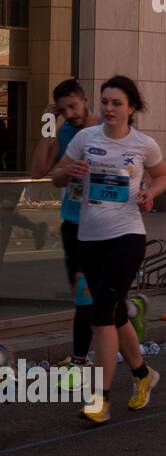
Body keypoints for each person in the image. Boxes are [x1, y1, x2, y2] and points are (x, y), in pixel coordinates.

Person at [51, 76, 166, 425]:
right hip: (89, 239)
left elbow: (163, 175)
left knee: (100, 313)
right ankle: (143, 373)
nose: (109, 108)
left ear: (131, 108)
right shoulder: (85, 139)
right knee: (115, 313)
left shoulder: (143, 144)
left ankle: (100, 399)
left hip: (127, 236)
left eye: (117, 103)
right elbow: (56, 176)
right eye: (105, 102)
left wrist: (151, 193)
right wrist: (67, 171)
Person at [30, 79, 99, 373]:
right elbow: (38, 171)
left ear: (85, 99)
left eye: (73, 105)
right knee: (85, 295)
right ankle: (132, 309)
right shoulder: (66, 131)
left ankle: (80, 359)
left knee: (88, 297)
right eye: (63, 109)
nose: (70, 113)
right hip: (72, 224)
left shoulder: (104, 129)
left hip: (102, 227)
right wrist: (47, 123)